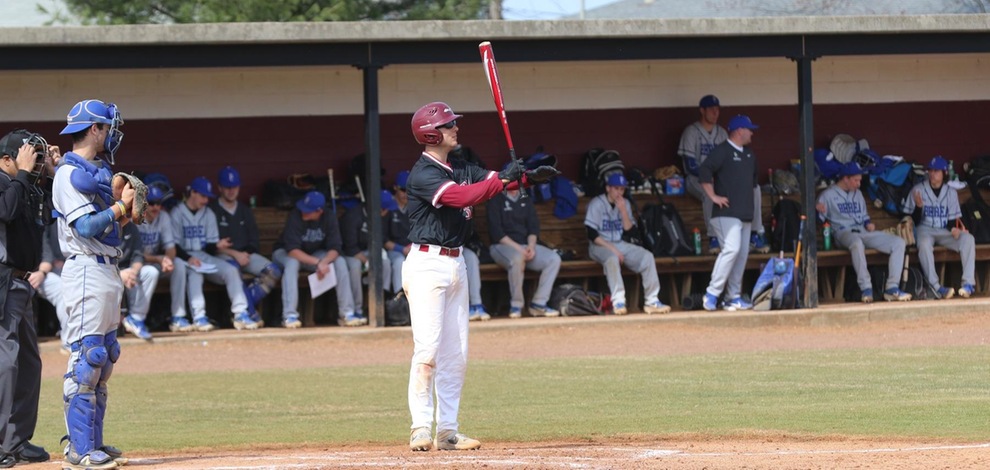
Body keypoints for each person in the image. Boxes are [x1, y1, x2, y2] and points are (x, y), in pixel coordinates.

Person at [404, 101, 558, 452]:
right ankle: (419, 427)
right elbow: (462, 197)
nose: (454, 128)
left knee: (455, 353)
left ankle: (447, 431)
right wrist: (502, 180)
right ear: (430, 133)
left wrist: (522, 175)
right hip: (427, 265)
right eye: (447, 125)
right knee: (427, 350)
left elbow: (489, 180)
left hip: (457, 262)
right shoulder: (424, 174)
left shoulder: (458, 166)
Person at [52, 99, 129, 469]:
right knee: (88, 358)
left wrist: (123, 213)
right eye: (107, 127)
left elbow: (109, 231)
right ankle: (79, 450)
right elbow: (84, 227)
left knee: (106, 358)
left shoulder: (96, 171)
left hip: (107, 269)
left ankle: (93, 443)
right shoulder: (68, 174)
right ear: (95, 129)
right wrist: (119, 207)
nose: (112, 133)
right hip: (85, 271)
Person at [0, 130, 52, 467]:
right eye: (26, 156)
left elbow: (43, 220)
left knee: (29, 362)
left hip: (23, 284)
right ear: (7, 158)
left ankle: (17, 441)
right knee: (6, 363)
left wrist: (47, 175)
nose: (32, 162)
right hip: (3, 280)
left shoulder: (23, 185)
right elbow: (5, 211)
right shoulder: (8, 183)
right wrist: (21, 173)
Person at [679, 95, 767, 254]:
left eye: (717, 109)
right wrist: (710, 177)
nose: (715, 113)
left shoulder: (721, 133)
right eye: (711, 109)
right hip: (696, 179)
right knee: (709, 193)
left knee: (753, 189)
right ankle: (713, 237)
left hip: (719, 177)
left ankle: (755, 233)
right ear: (702, 110)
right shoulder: (691, 131)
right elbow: (689, 165)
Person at [700, 115, 769, 311]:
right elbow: (704, 171)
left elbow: (754, 186)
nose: (752, 133)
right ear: (739, 130)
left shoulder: (749, 155)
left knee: (741, 255)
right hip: (726, 213)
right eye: (749, 129)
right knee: (731, 250)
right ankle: (712, 293)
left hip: (745, 213)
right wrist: (713, 196)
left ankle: (733, 296)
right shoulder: (722, 151)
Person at [816, 161, 912, 303]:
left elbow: (864, 217)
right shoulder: (828, 195)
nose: (859, 184)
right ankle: (866, 288)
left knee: (898, 242)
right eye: (856, 180)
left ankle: (892, 288)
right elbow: (819, 220)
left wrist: (868, 224)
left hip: (862, 232)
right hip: (843, 233)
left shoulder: (858, 194)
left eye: (860, 180)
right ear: (845, 178)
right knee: (856, 242)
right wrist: (818, 211)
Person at [172, 176, 258, 330]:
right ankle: (199, 318)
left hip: (203, 256)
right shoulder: (177, 212)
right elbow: (173, 245)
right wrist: (189, 258)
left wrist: (217, 245)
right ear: (193, 193)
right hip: (183, 257)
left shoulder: (208, 214)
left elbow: (210, 246)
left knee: (231, 270)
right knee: (195, 275)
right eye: (203, 196)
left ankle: (241, 314)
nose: (206, 200)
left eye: (207, 197)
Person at [584, 173, 670, 315]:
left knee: (647, 257)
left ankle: (652, 301)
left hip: (619, 244)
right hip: (599, 246)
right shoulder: (597, 203)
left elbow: (630, 232)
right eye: (616, 188)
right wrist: (613, 249)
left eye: (622, 189)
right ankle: (618, 301)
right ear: (608, 188)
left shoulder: (625, 204)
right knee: (612, 258)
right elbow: (591, 234)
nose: (619, 192)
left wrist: (623, 211)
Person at [272, 190, 361, 328]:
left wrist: (324, 261)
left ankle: (346, 313)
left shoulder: (328, 216)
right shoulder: (295, 215)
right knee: (292, 264)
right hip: (285, 253)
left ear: (319, 211)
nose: (304, 211)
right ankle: (289, 315)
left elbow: (336, 247)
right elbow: (292, 250)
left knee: (340, 262)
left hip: (314, 254)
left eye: (308, 210)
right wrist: (318, 263)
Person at [210, 166, 282, 326]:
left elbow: (254, 240)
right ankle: (249, 312)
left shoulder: (244, 210)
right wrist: (235, 254)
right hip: (223, 255)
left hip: (246, 256)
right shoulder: (212, 210)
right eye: (227, 187)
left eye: (234, 187)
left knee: (273, 270)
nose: (231, 191)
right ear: (220, 188)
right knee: (234, 270)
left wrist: (245, 254)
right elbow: (211, 245)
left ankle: (247, 305)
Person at [903, 156, 975, 299]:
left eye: (936, 171)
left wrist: (953, 229)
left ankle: (968, 284)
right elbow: (913, 221)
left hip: (943, 231)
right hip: (924, 229)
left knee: (968, 239)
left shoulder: (951, 193)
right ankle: (936, 287)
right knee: (923, 244)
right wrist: (918, 208)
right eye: (930, 170)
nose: (932, 174)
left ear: (944, 173)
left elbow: (951, 221)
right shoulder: (918, 190)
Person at [136, 184, 204, 332]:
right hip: (137, 265)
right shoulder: (135, 218)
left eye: (159, 203)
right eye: (151, 203)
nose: (156, 207)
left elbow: (171, 248)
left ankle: (178, 317)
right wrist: (160, 259)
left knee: (178, 264)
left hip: (155, 262)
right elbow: (135, 254)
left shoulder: (164, 217)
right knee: (150, 272)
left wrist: (167, 259)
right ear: (143, 203)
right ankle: (136, 318)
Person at [487, 184, 562, 318]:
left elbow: (533, 228)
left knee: (554, 259)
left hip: (525, 246)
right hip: (501, 247)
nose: (516, 184)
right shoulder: (495, 199)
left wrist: (531, 246)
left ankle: (539, 303)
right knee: (517, 258)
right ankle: (516, 305)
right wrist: (519, 249)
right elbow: (497, 234)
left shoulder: (525, 198)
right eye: (512, 180)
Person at [340, 189, 394, 317]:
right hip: (350, 254)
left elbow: (382, 240)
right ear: (377, 208)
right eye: (385, 209)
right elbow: (350, 247)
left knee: (385, 263)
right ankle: (357, 308)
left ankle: (381, 304)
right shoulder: (353, 216)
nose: (386, 212)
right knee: (355, 267)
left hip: (369, 251)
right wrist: (367, 261)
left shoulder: (383, 216)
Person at [118, 222, 158, 341]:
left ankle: (136, 318)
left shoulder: (131, 227)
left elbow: (138, 255)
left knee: (150, 272)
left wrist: (133, 272)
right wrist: (118, 274)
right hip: (106, 271)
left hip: (128, 269)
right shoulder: (104, 225)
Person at [35, 223, 68, 350]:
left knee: (64, 288)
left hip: (40, 274)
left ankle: (69, 340)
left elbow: (47, 256)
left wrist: (41, 273)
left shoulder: (37, 221)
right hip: (14, 276)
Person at [385, 171, 413, 296]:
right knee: (399, 262)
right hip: (394, 251)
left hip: (414, 249)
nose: (406, 194)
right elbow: (383, 240)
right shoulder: (389, 207)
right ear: (395, 187)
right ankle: (399, 299)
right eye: (403, 189)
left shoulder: (415, 207)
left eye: (409, 190)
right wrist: (402, 249)